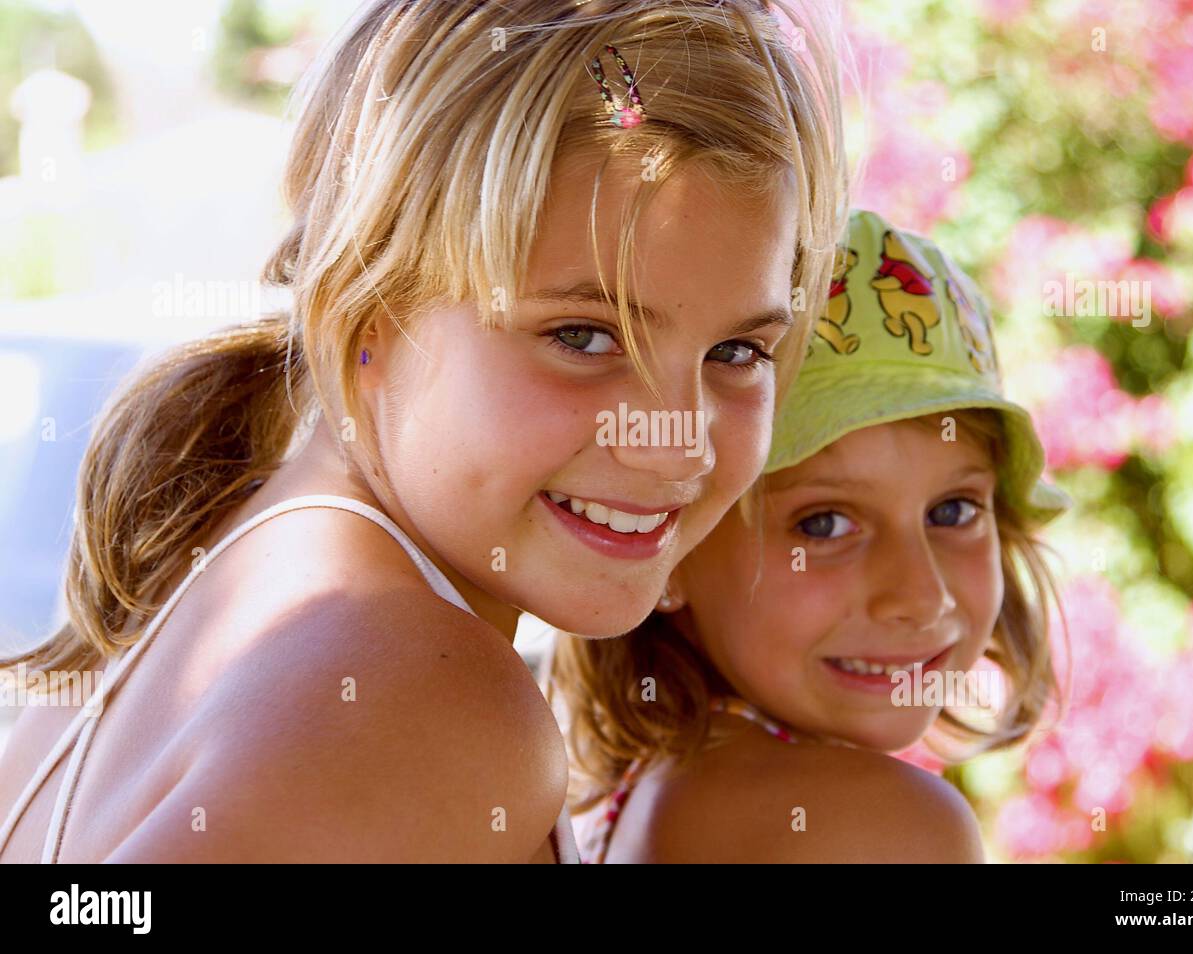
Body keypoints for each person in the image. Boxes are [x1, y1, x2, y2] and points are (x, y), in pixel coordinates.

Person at [0, 0, 847, 863]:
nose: (679, 442)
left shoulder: (209, 588)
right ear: (367, 312)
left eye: (738, 351)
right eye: (583, 337)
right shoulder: (416, 701)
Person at [551, 208, 1070, 863]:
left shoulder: (653, 794)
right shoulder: (881, 830)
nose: (919, 595)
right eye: (823, 524)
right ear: (670, 550)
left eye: (953, 512)